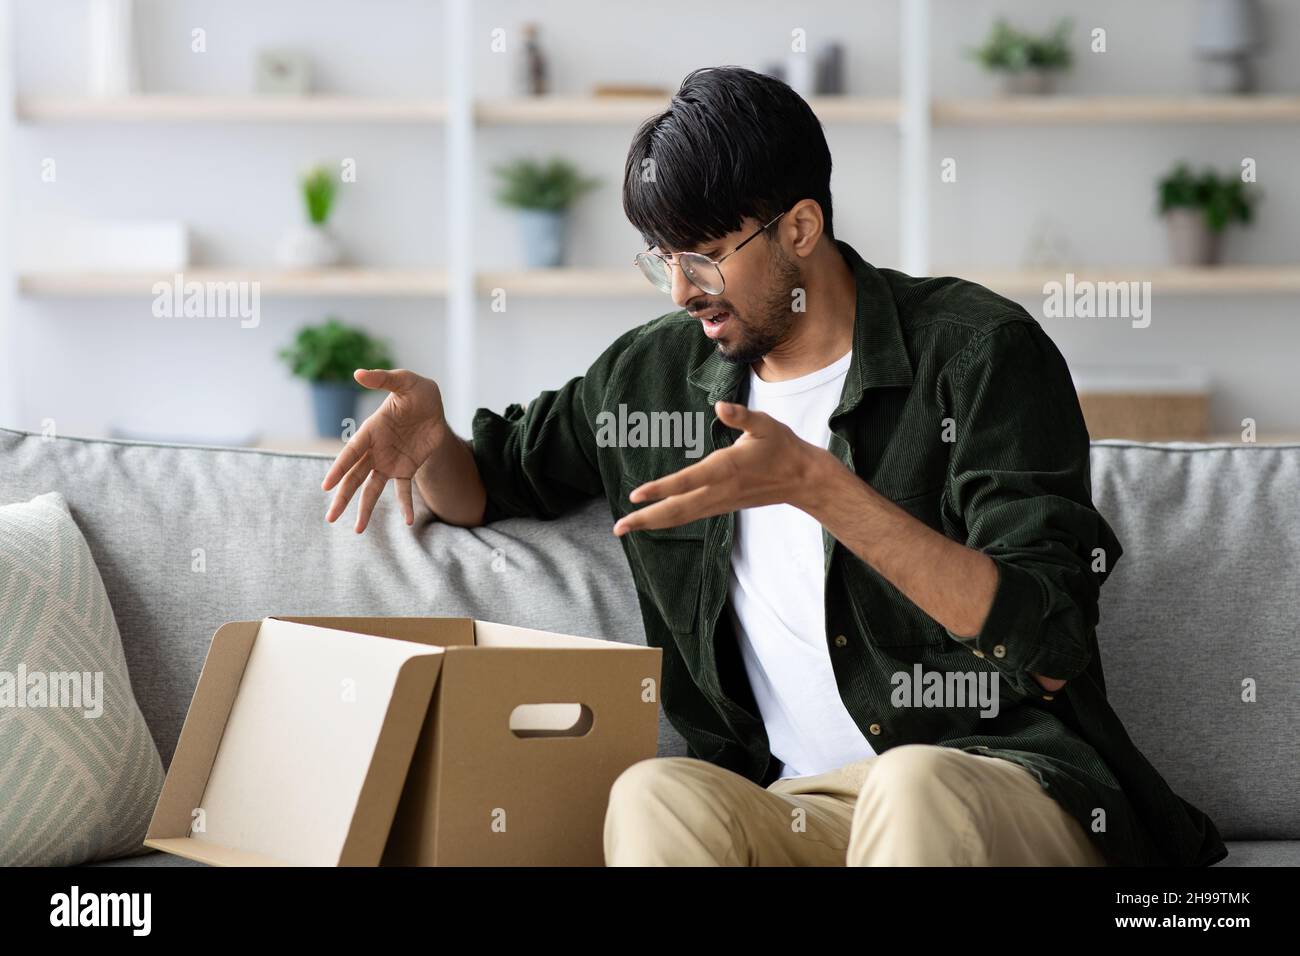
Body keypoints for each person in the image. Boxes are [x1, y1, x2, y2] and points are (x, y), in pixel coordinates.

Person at [321, 66, 1226, 867]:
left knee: (912, 786)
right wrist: (435, 448)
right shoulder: (650, 380)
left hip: (1003, 787)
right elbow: (491, 483)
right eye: (663, 260)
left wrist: (821, 488)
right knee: (656, 795)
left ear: (800, 226)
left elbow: (1051, 648)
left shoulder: (980, 353)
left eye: (706, 256)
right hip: (794, 805)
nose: (682, 292)